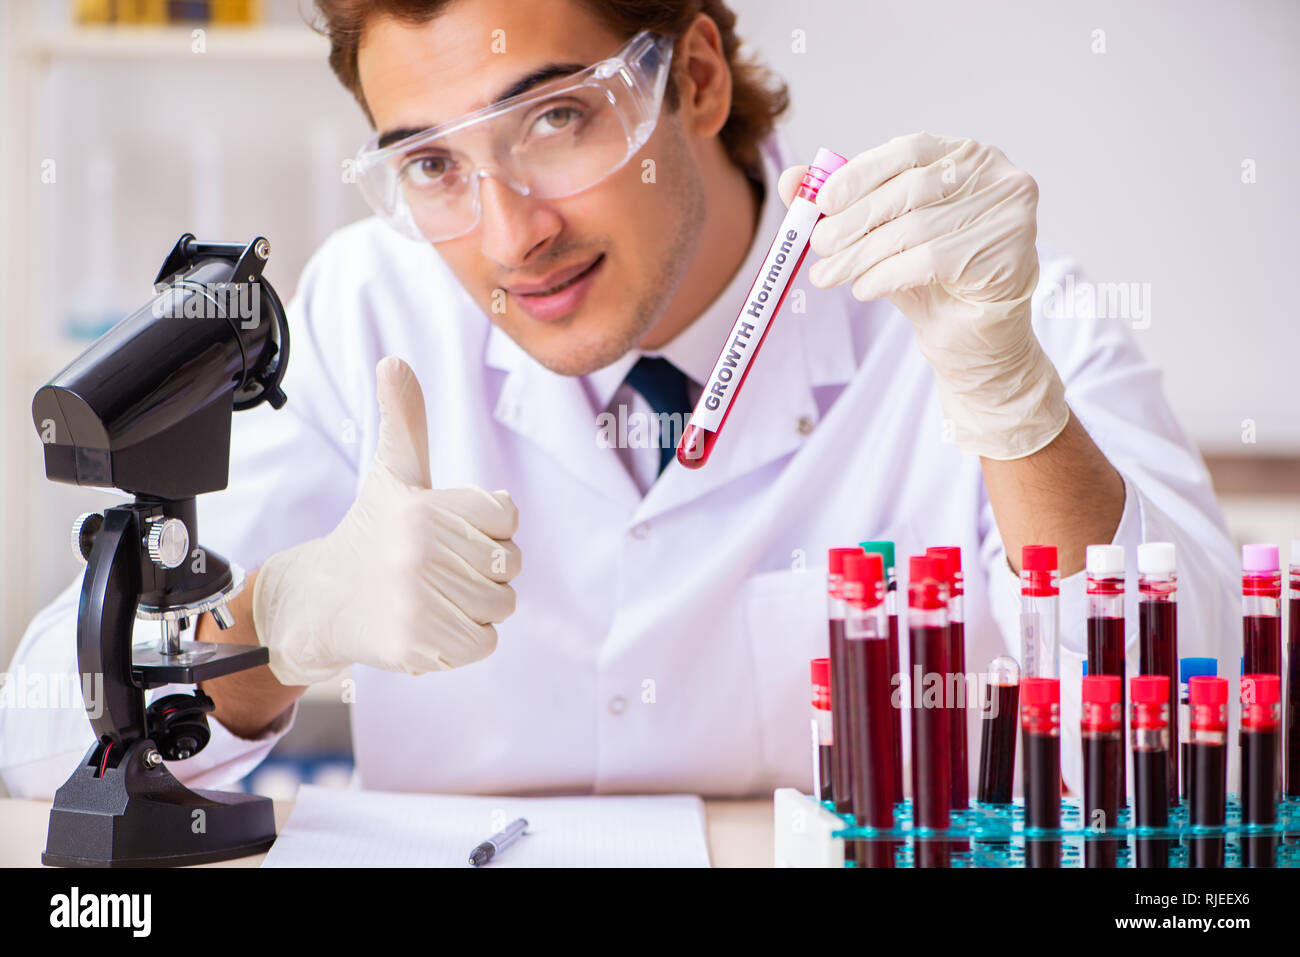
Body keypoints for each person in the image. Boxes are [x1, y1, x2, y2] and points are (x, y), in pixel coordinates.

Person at [1, 0, 1238, 801]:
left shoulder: (978, 301)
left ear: (693, 79)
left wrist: (1012, 406)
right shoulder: (367, 308)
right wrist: (274, 625)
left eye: (557, 120)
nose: (508, 235)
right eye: (431, 162)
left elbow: (1201, 729)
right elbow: (43, 737)